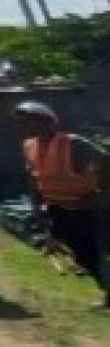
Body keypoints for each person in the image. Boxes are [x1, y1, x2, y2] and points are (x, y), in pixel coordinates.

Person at [13, 100, 110, 308]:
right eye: (20, 122)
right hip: (60, 211)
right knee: (84, 257)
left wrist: (101, 195)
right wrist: (37, 209)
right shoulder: (30, 147)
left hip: (87, 210)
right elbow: (34, 179)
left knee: (97, 254)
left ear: (46, 121)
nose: (22, 127)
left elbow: (105, 162)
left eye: (26, 121)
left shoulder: (73, 144)